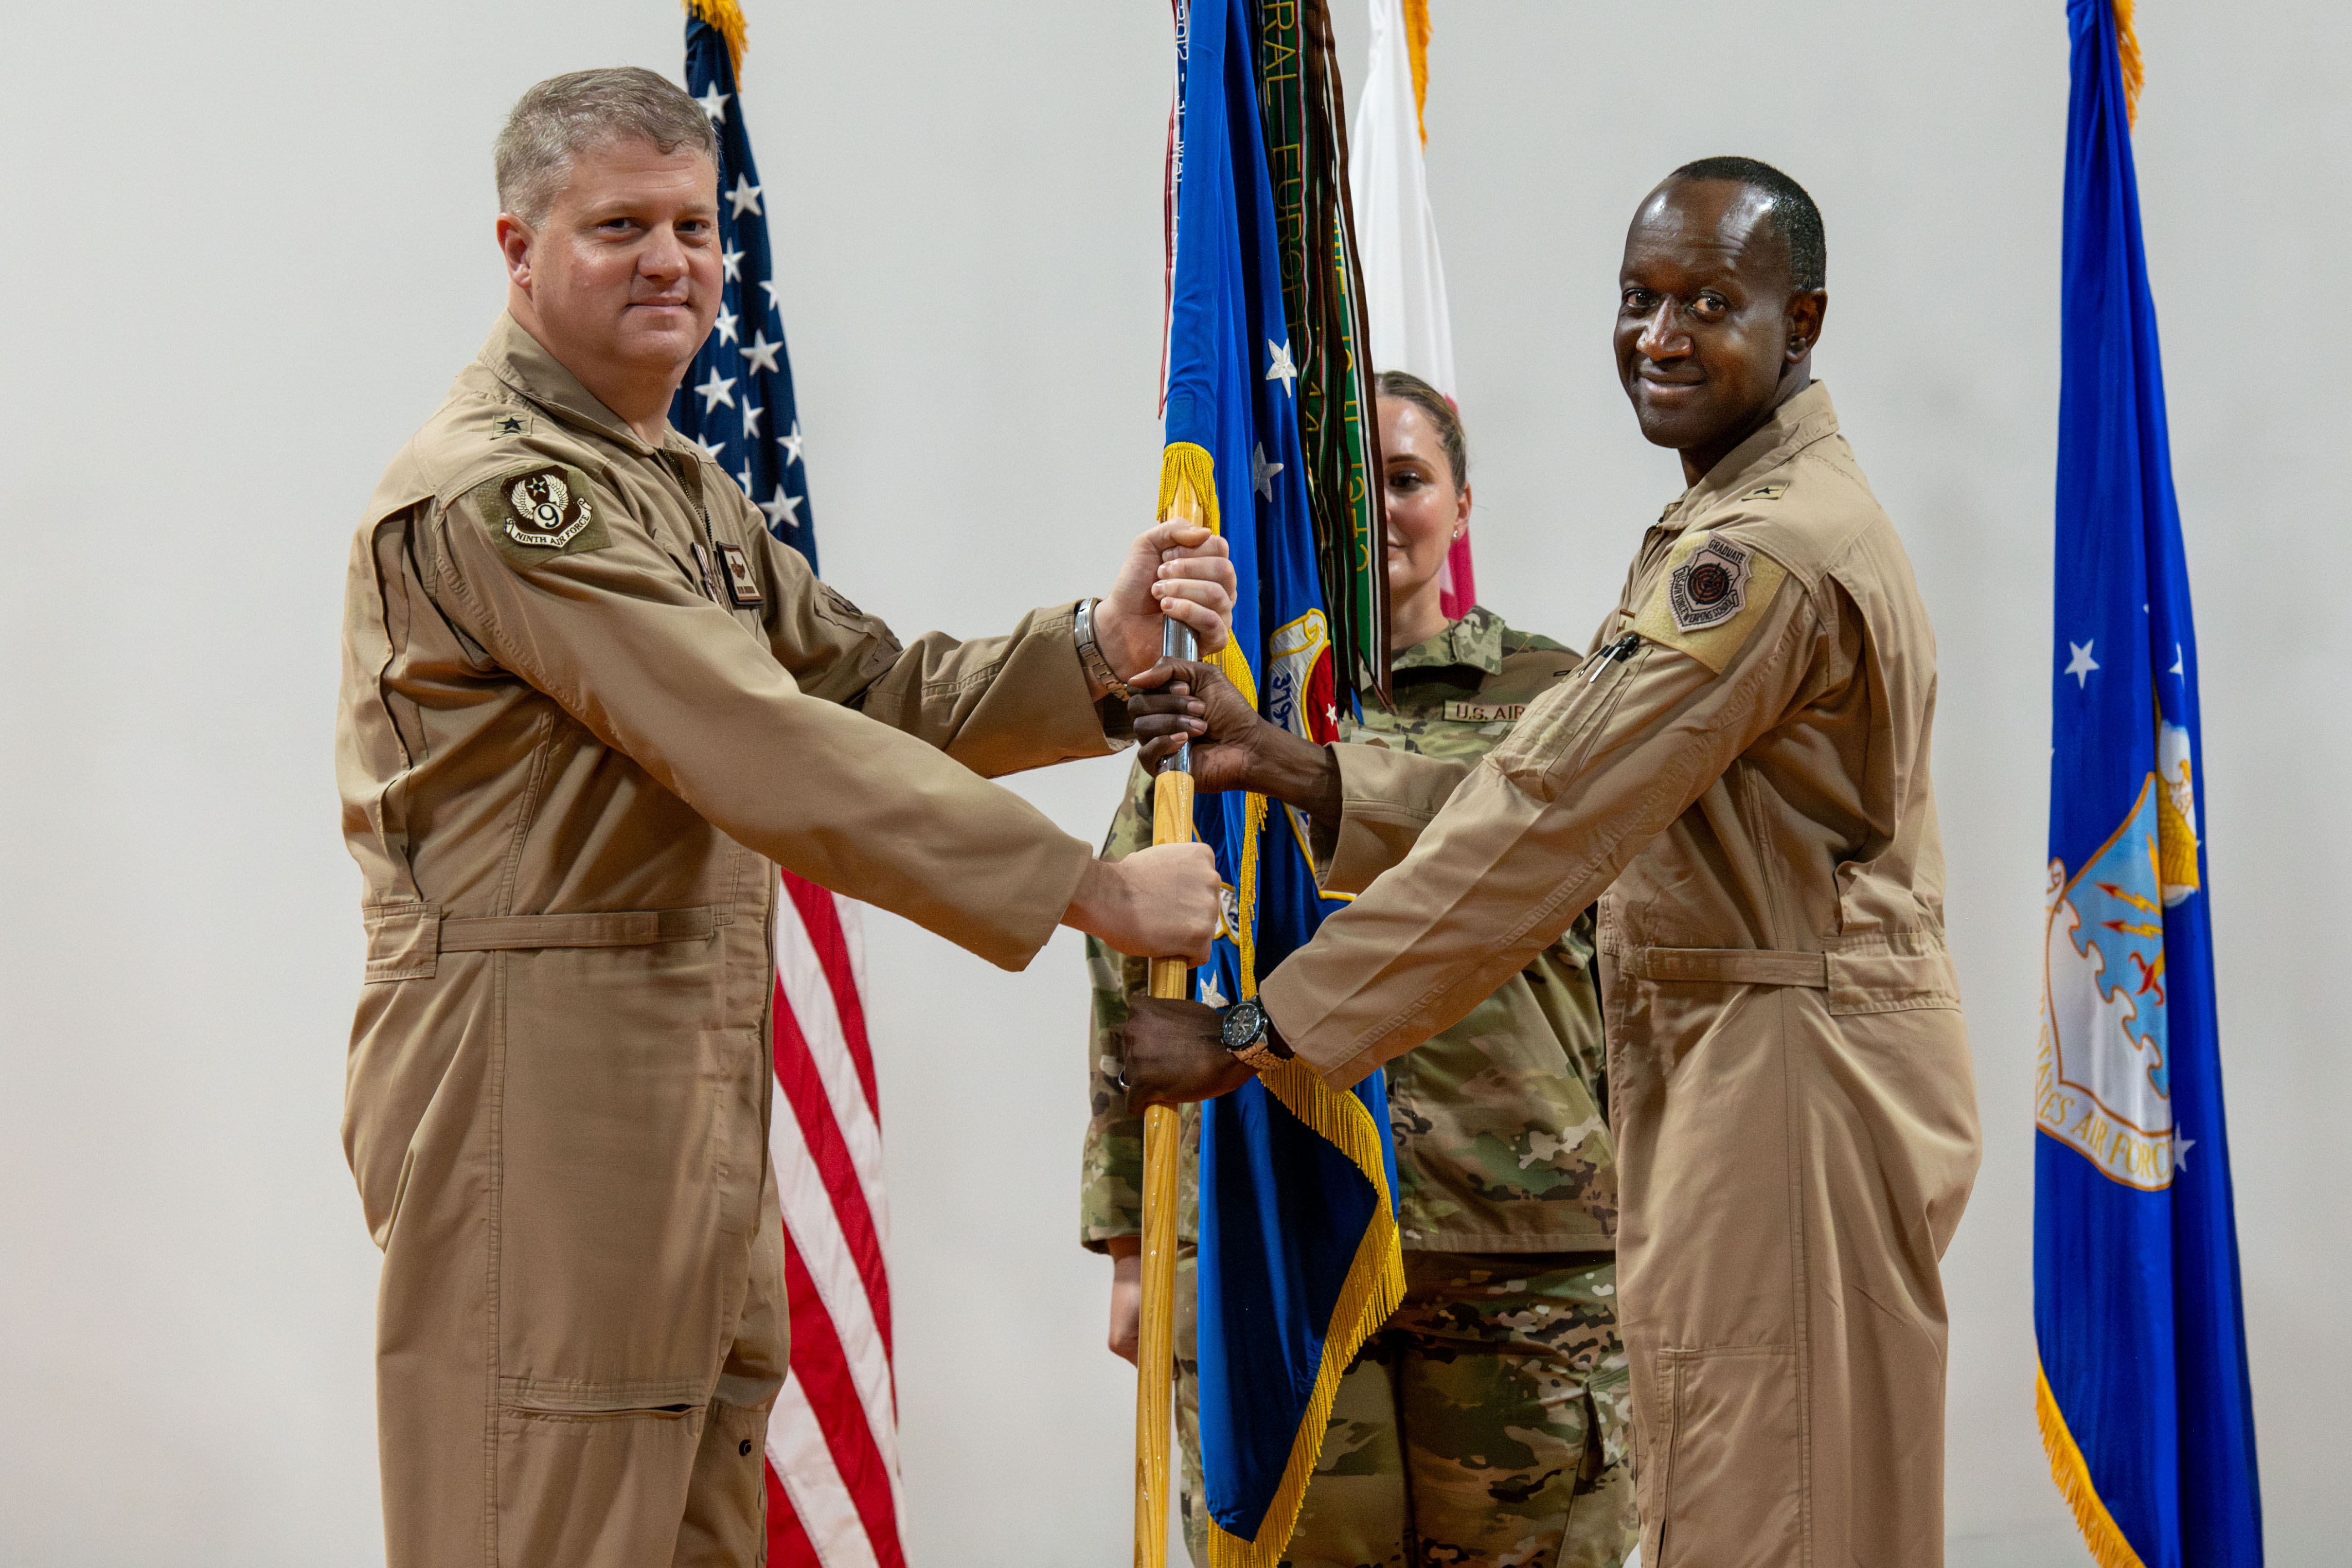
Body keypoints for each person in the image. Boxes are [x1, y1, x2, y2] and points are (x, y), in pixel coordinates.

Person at [336, 68, 1236, 1568]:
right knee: (544, 1518)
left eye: (693, 225)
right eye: (619, 225)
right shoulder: (500, 497)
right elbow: (756, 743)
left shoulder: (675, 487)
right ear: (517, 248)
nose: (673, 262)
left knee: (700, 1518)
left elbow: (865, 688)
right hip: (535, 1084)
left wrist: (1097, 646)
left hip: (680, 1064)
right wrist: (1085, 891)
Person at [1117, 158, 1983, 1567]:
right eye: (1639, 299)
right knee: (1757, 1494)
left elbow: (1550, 816)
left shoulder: (1760, 554)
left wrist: (1265, 1025)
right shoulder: (1737, 517)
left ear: (1801, 319)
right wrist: (1305, 770)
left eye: (1711, 301)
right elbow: (1556, 786)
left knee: (1771, 1515)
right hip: (1756, 1047)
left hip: (1781, 1069)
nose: (1660, 336)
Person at [1082, 373, 1637, 1568]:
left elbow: (1632, 963)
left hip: (1521, 1241)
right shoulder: (1215, 711)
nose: (1382, 507)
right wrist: (1132, 1245)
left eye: (1409, 479)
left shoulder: (1558, 698)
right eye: (1354, 482)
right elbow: (1130, 965)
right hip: (1274, 1226)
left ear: (1463, 504)